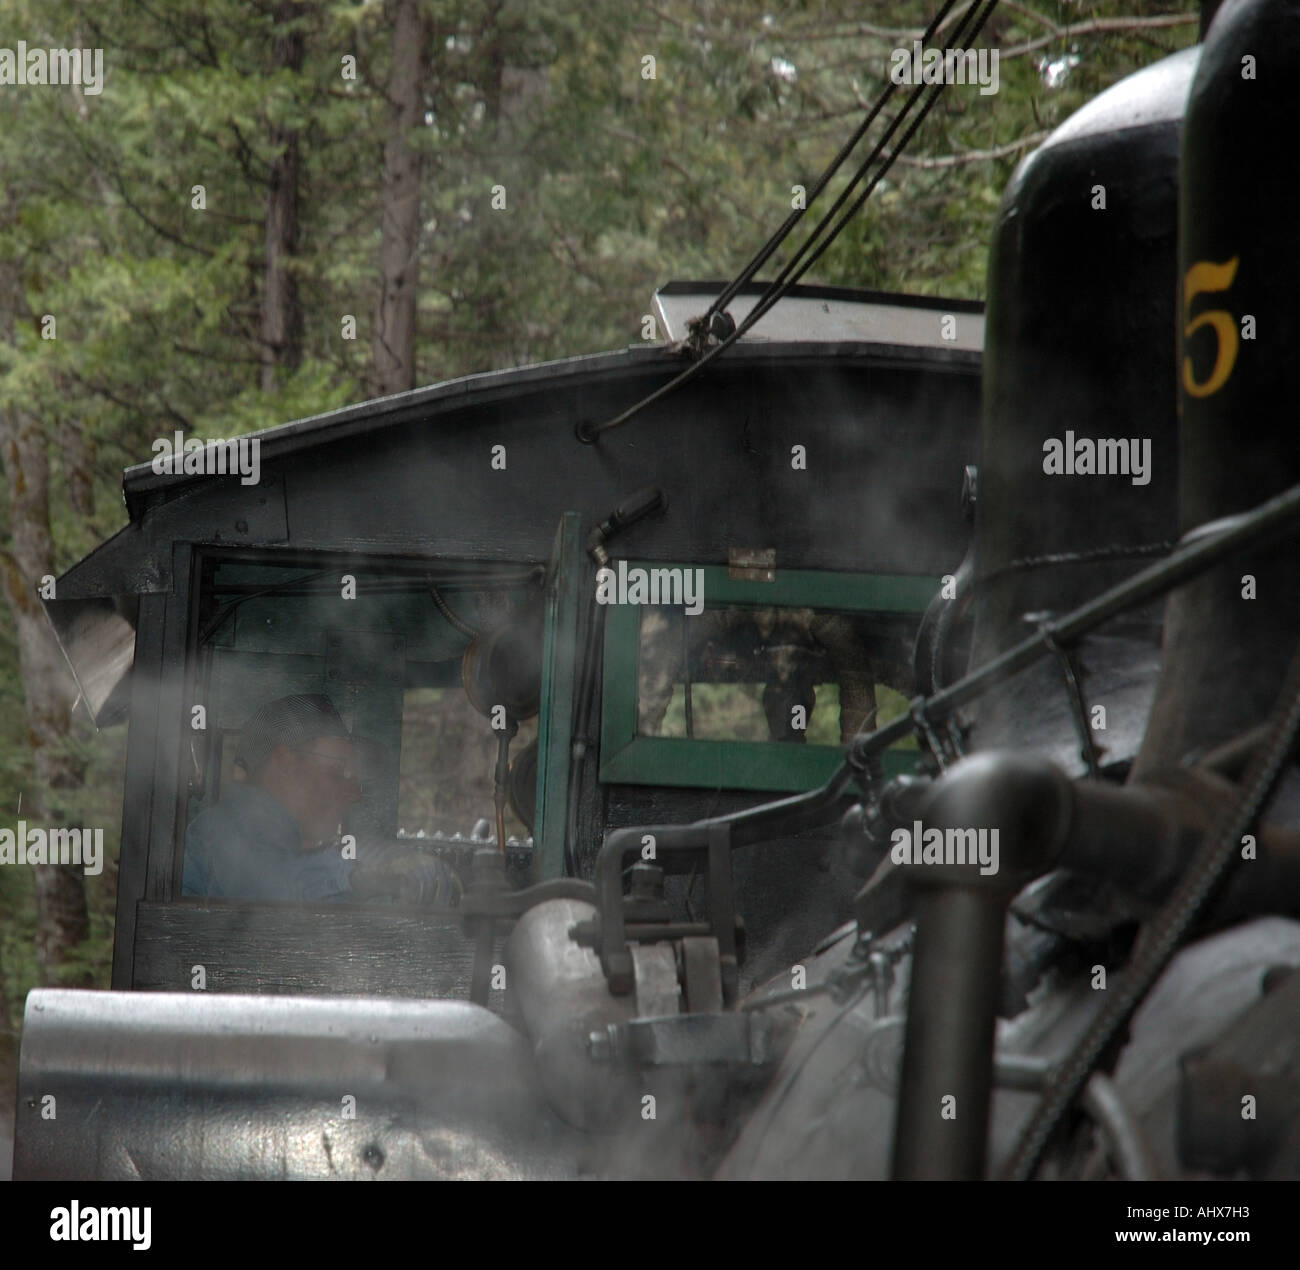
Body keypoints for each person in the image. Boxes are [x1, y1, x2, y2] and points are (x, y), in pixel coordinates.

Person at [182, 693, 455, 904]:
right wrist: (366, 870)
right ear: (285, 763)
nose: (356, 793)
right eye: (338, 772)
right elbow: (274, 888)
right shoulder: (225, 834)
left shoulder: (271, 843)